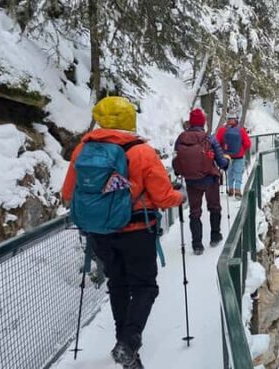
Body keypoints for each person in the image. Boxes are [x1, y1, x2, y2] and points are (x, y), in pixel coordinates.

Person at [62, 96, 184, 369]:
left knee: (118, 284)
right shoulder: (141, 152)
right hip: (137, 230)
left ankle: (127, 351)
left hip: (99, 232)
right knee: (145, 287)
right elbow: (163, 197)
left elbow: (68, 193)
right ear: (130, 118)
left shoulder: (83, 149)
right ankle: (128, 343)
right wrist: (180, 197)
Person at [172, 108, 229, 254]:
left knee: (194, 212)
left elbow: (177, 160)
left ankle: (197, 244)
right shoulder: (209, 138)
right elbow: (221, 162)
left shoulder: (181, 138)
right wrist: (226, 163)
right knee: (214, 207)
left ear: (190, 123)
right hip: (210, 179)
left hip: (191, 181)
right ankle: (215, 236)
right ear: (203, 122)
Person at [215, 116, 251, 197]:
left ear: (227, 120)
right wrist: (242, 150)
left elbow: (216, 143)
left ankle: (230, 189)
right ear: (236, 121)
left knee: (229, 172)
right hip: (239, 155)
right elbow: (248, 144)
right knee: (238, 173)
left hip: (227, 156)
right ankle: (237, 190)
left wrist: (222, 151)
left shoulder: (222, 130)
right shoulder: (241, 130)